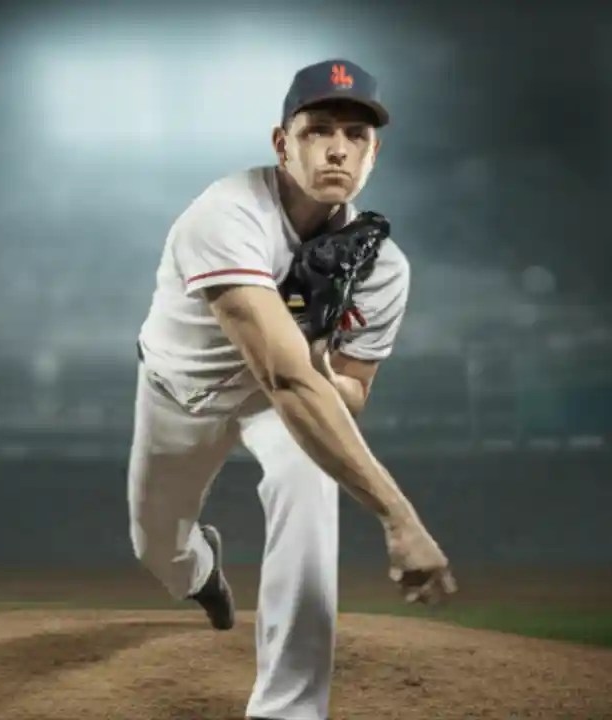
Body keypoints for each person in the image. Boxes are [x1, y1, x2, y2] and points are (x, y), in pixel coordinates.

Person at [128, 58, 455, 720]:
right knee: (157, 546)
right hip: (179, 391)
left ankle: (288, 711)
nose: (339, 148)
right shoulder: (224, 213)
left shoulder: (383, 267)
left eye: (356, 135)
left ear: (374, 152)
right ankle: (200, 572)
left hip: (273, 399)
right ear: (282, 142)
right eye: (319, 130)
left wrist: (320, 359)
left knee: (311, 480)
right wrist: (400, 518)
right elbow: (282, 373)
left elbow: (347, 393)